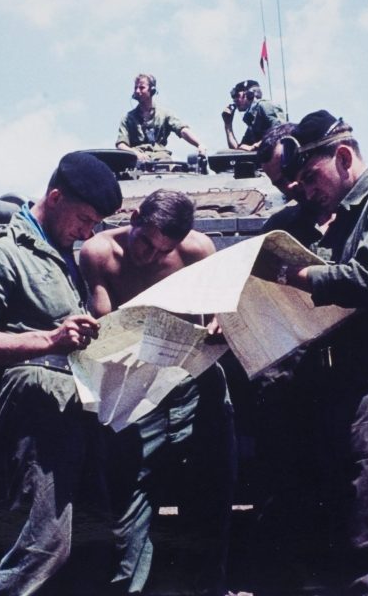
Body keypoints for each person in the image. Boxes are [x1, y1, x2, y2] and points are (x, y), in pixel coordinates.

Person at [253, 110, 368, 595]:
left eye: (312, 177)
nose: (306, 190)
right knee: (337, 533)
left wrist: (295, 276)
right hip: (334, 383)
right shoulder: (332, 217)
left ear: (344, 156)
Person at [0, 151, 122, 596]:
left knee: (94, 539)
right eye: (83, 219)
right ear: (56, 197)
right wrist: (50, 339)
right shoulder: (4, 253)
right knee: (45, 544)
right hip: (39, 406)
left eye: (95, 225)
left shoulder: (62, 254)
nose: (87, 233)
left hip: (77, 403)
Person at [79, 189, 236, 596]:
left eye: (163, 250)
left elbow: (220, 309)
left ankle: (207, 589)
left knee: (209, 496)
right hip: (134, 389)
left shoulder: (198, 250)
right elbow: (104, 322)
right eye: (145, 242)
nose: (149, 256)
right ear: (134, 217)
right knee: (128, 507)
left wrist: (220, 320)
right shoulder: (99, 253)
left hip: (194, 381)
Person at [116, 73, 207, 162]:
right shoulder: (128, 118)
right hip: (136, 159)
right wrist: (136, 153)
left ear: (152, 90)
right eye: (135, 88)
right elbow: (121, 144)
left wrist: (199, 144)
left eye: (141, 88)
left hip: (161, 157)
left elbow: (182, 130)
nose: (137, 91)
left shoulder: (164, 114)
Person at [221, 79, 286, 152]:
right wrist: (228, 125)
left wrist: (255, 147)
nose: (235, 100)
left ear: (250, 94)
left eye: (237, 95)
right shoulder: (252, 118)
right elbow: (238, 151)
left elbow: (281, 130)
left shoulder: (264, 105)